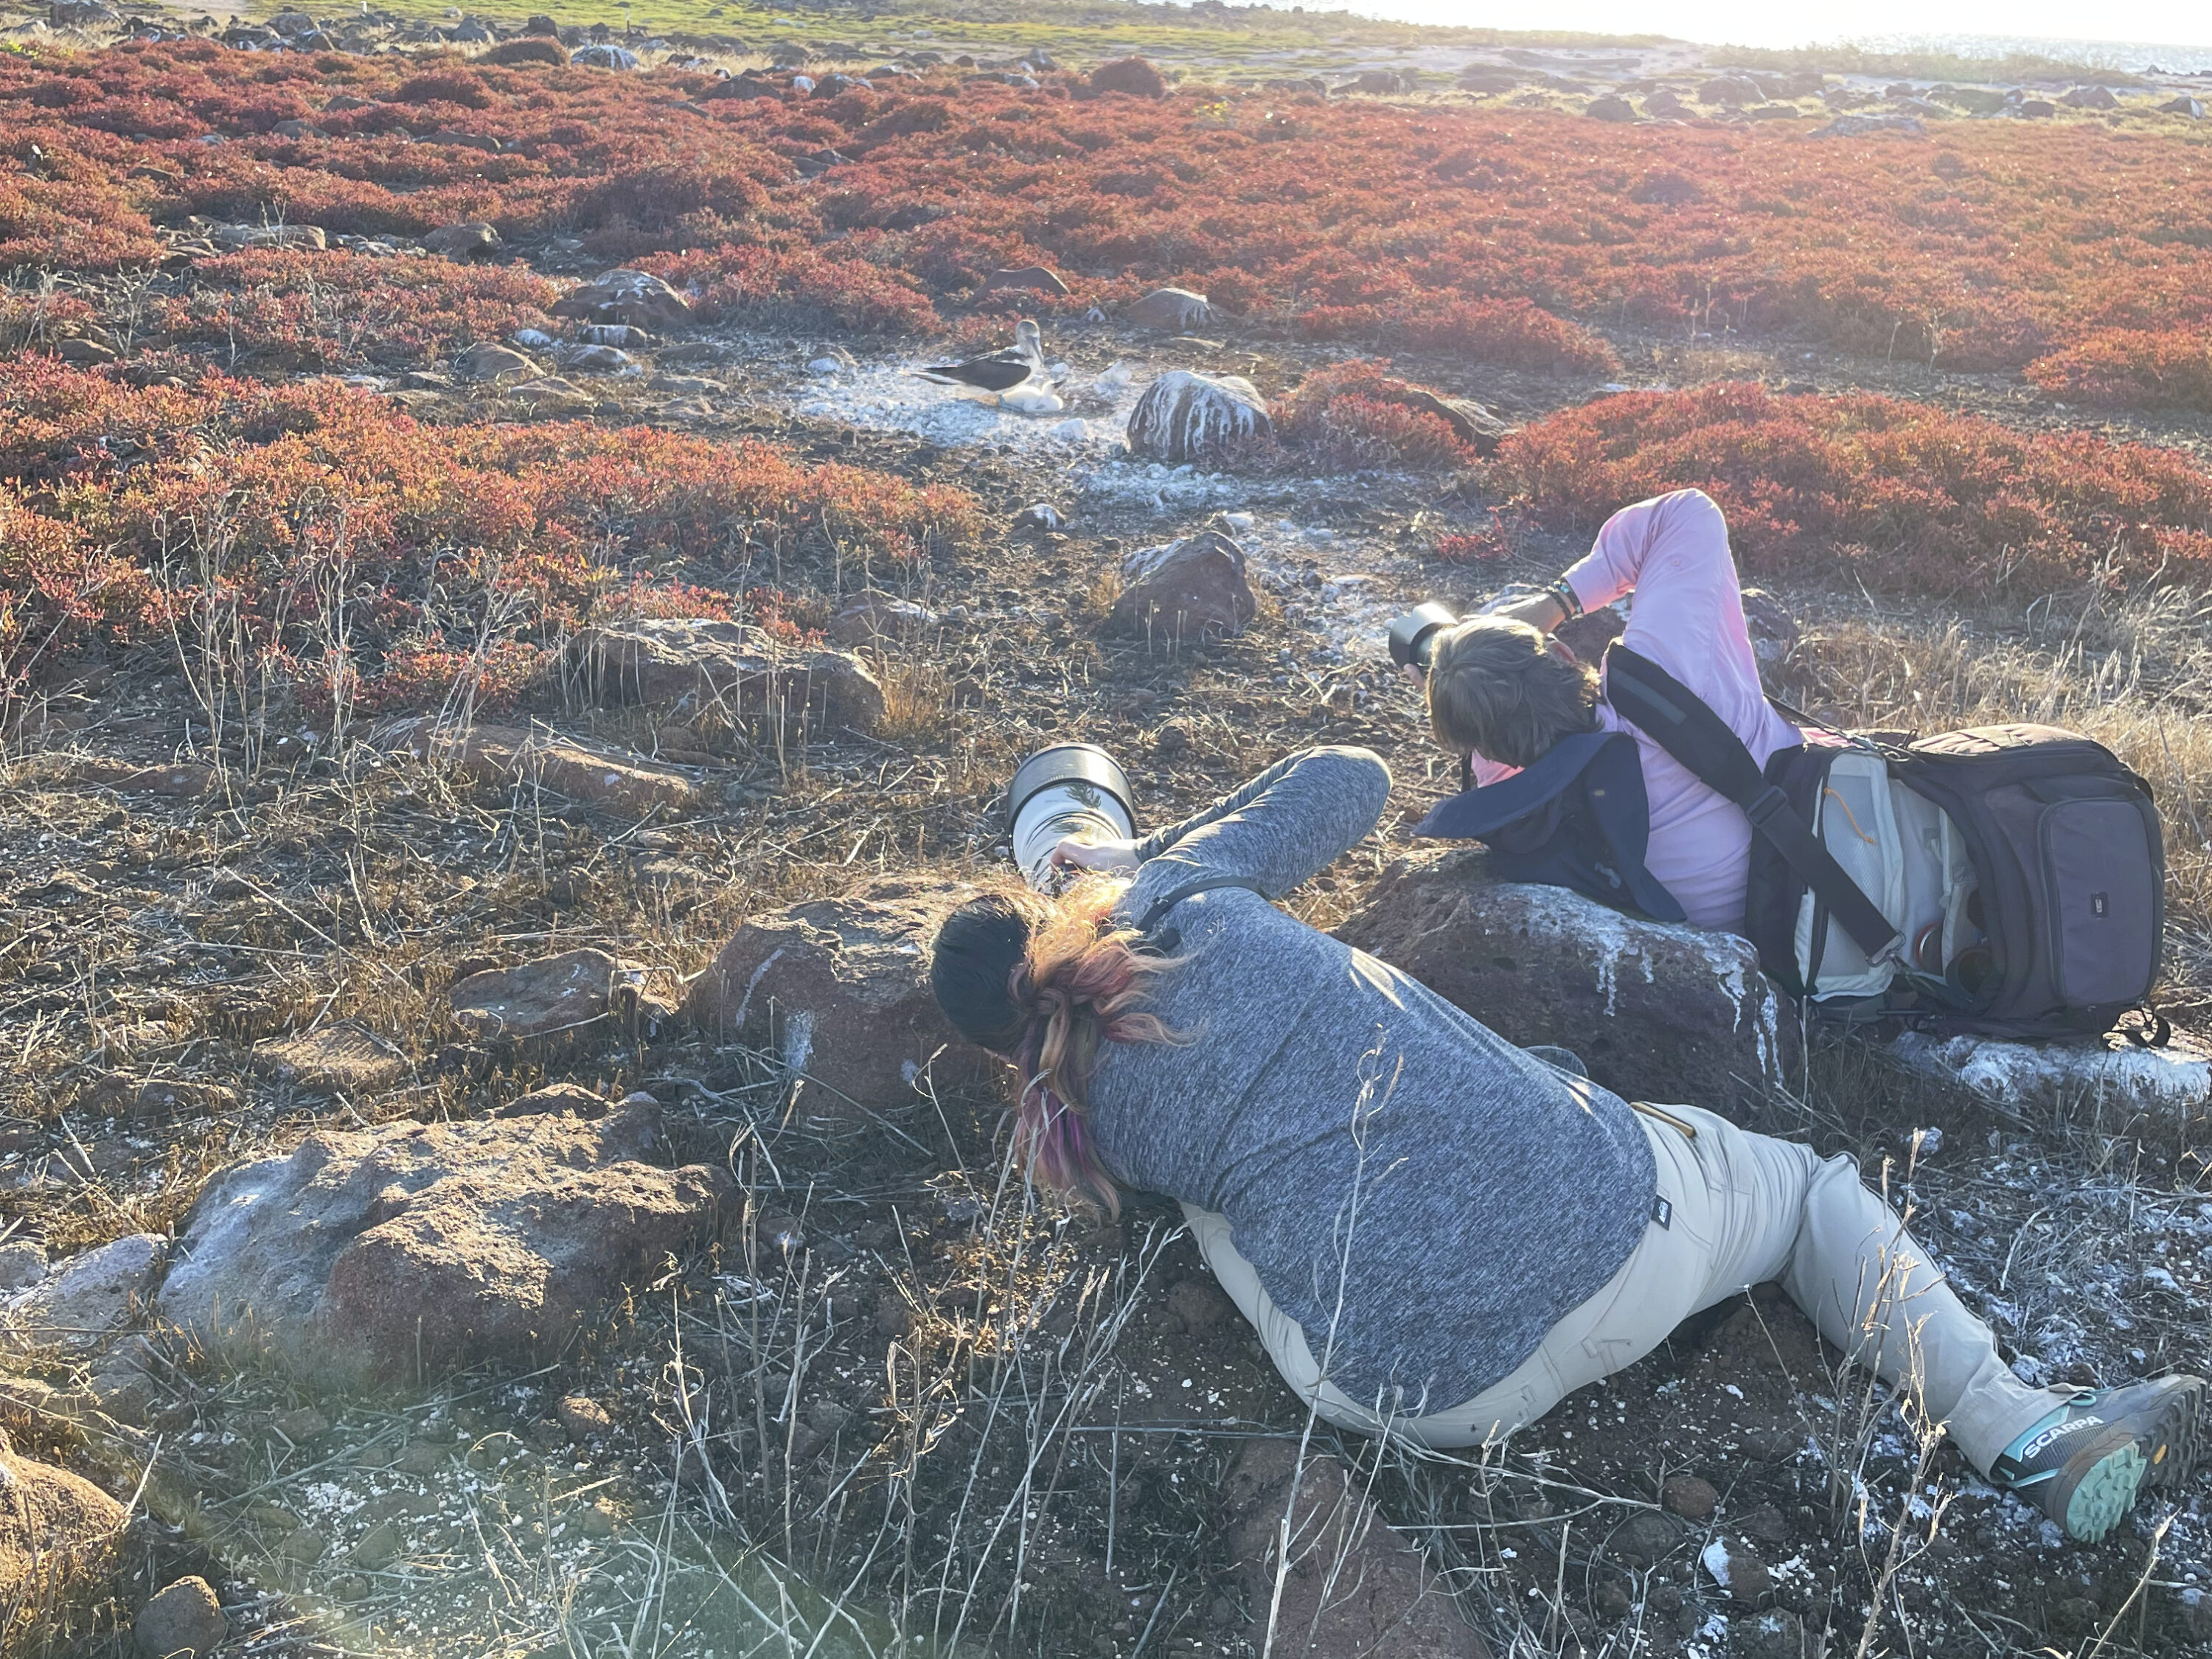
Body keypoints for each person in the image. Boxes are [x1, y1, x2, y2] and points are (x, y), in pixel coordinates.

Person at [928, 745, 2202, 1543]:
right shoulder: (1179, 897)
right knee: (1803, 1188)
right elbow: (1353, 775)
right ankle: (2014, 1426)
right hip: (1616, 1241)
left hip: (1414, 1398)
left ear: (999, 1045)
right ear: (1062, 907)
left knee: (1218, 1204)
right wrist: (1143, 860)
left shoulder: (1081, 1130)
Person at [1422, 487, 1799, 932]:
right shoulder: (1662, 673)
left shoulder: (1525, 811)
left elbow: (1495, 749)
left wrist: (1452, 691)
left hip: (1748, 938)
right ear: (1562, 654)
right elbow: (1687, 513)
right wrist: (1554, 604)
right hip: (1813, 860)